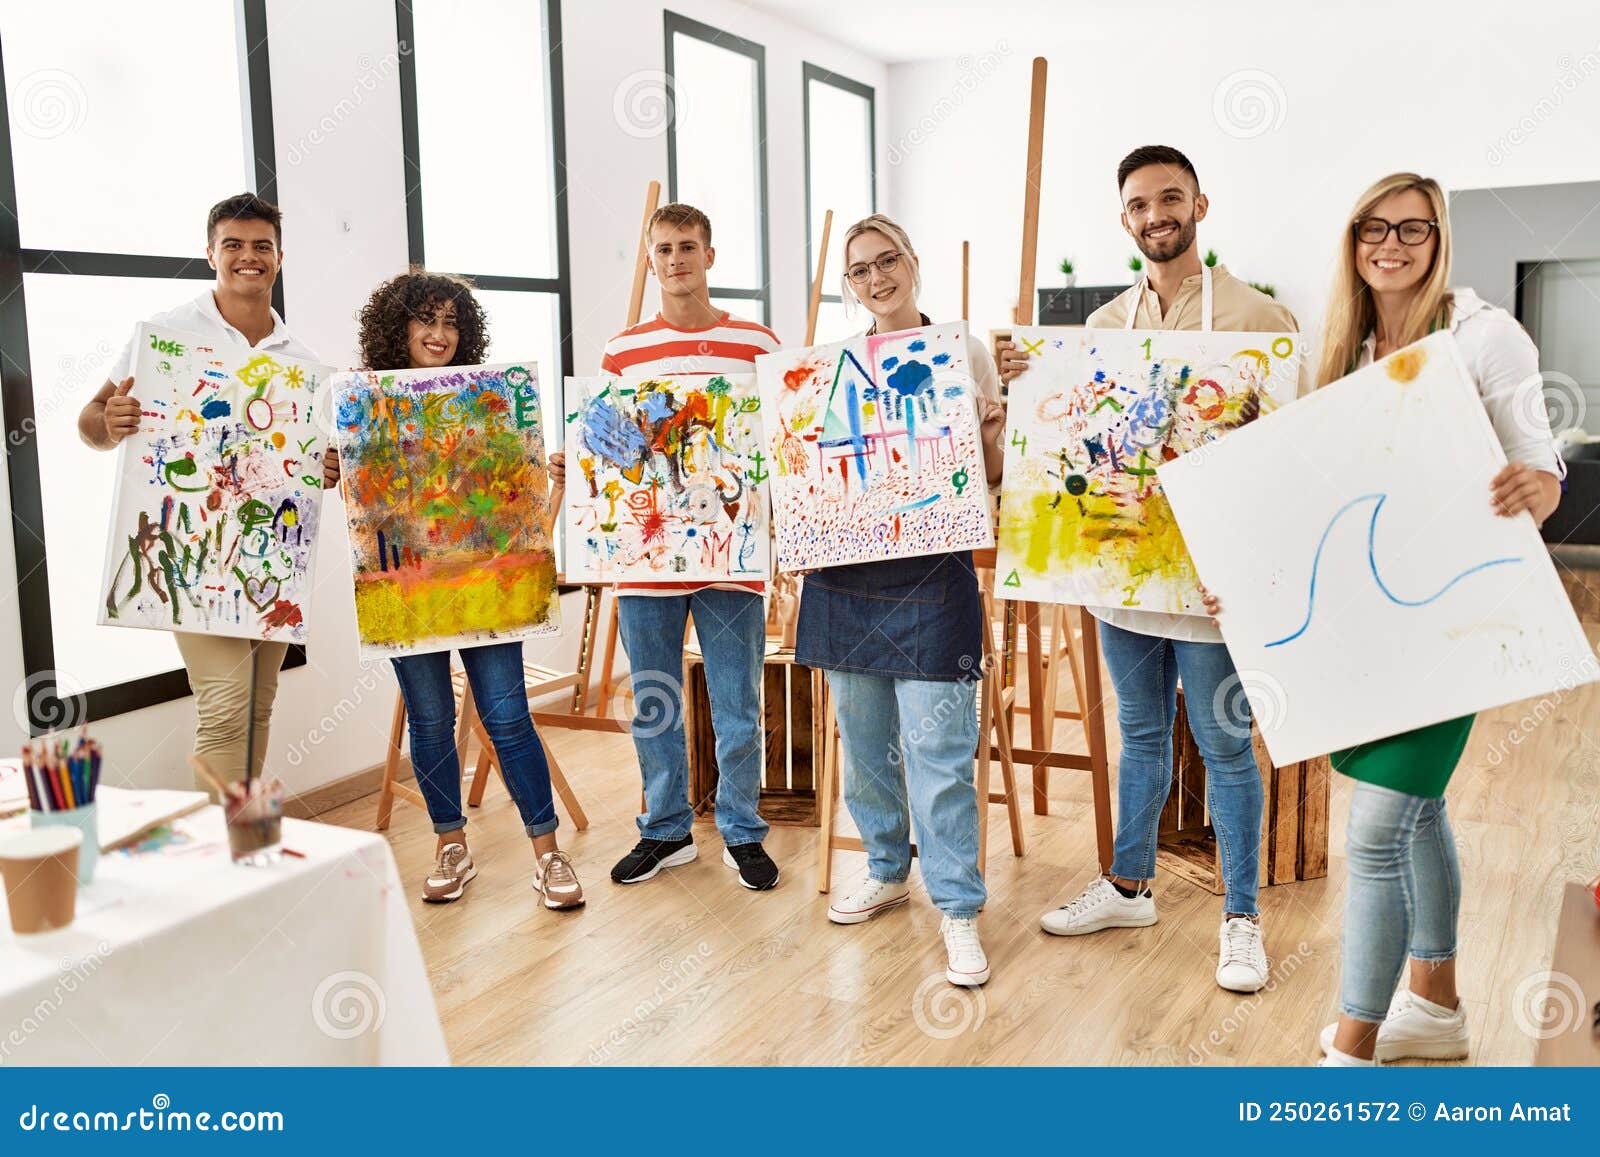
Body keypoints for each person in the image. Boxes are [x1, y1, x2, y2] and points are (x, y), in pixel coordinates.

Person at [1201, 173, 1562, 1065]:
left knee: (1373, 832)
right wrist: (1246, 582)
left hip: (1451, 628)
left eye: (1412, 228)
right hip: (1366, 634)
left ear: (1439, 238)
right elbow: (1309, 498)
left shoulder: (1486, 336)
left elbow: (1541, 469)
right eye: (1374, 228)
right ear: (1353, 241)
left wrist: (1540, 486)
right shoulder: (1343, 351)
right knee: (1419, 814)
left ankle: (1349, 1052)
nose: (1391, 245)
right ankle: (1436, 1009)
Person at [1000, 146, 1297, 993]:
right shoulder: (1099, 331)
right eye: (1138, 203)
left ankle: (1241, 917)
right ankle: (1130, 883)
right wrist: (1029, 378)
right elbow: (1071, 442)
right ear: (1123, 218)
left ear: (1201, 204)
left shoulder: (1259, 320)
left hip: (1209, 577)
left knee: (1225, 744)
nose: (1155, 213)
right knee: (1137, 734)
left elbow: (1278, 457)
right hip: (1122, 566)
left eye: (1171, 198)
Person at [548, 203, 783, 891]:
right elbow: (614, 448)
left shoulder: (757, 342)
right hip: (645, 556)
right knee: (654, 700)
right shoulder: (622, 353)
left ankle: (743, 830)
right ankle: (667, 829)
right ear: (649, 261)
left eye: (687, 246)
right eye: (663, 249)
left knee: (737, 701)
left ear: (711, 255)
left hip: (730, 552)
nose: (675, 259)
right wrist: (578, 460)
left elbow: (778, 438)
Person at [799, 213, 1006, 987]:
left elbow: (988, 469)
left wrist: (994, 428)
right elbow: (814, 471)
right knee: (865, 740)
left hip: (935, 575)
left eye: (888, 261)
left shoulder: (963, 352)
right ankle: (887, 867)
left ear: (913, 263)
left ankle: (957, 907)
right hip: (846, 577)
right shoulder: (825, 366)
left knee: (942, 753)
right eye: (860, 269)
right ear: (848, 285)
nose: (877, 277)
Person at [78, 192, 333, 800]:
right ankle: (229, 852)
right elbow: (90, 421)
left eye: (261, 246)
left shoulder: (301, 361)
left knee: (258, 707)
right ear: (211, 253)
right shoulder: (167, 337)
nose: (249, 257)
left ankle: (241, 847)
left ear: (279, 256)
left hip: (269, 558)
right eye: (234, 246)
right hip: (189, 552)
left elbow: (312, 465)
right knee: (225, 705)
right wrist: (108, 421)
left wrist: (324, 465)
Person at [343, 269, 583, 910]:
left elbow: (511, 484)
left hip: (488, 586)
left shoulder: (490, 398)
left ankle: (548, 854)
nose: (440, 333)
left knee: (508, 718)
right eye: (427, 319)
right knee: (429, 719)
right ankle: (451, 846)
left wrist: (547, 469)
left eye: (452, 322)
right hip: (405, 587)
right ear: (400, 327)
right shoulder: (365, 401)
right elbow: (354, 492)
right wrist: (333, 466)